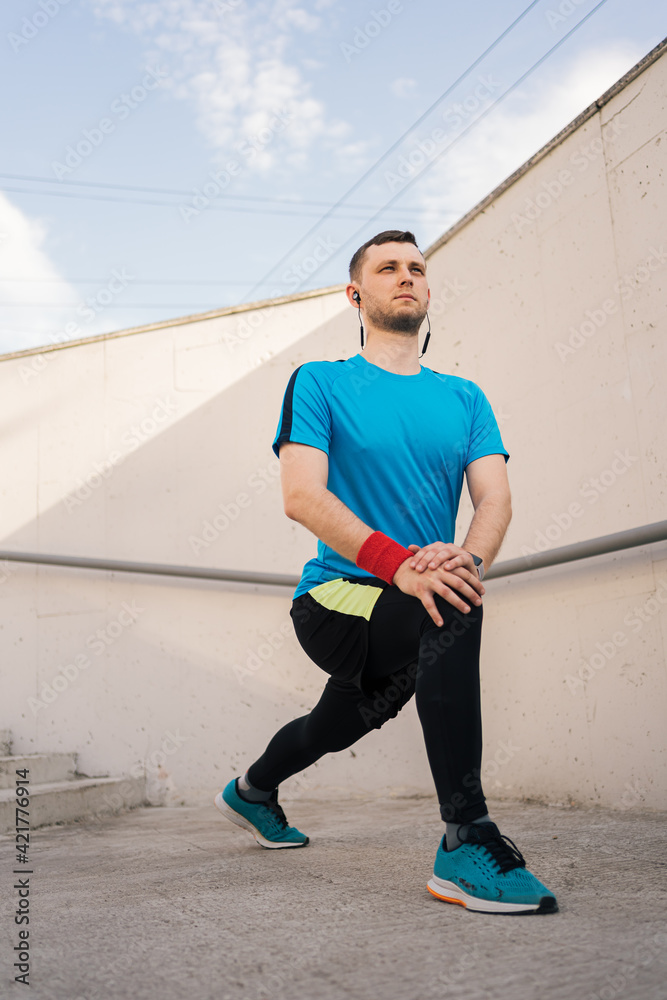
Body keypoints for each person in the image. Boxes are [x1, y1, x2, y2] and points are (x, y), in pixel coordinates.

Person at [215, 230, 557, 915]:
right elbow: (301, 496)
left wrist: (466, 558)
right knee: (452, 605)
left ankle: (251, 790)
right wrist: (401, 565)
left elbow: (494, 498)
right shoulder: (320, 382)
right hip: (338, 597)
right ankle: (465, 840)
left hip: (416, 597)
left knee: (329, 728)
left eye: (416, 268)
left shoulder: (463, 398)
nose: (405, 276)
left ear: (427, 292)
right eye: (387, 267)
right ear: (355, 293)